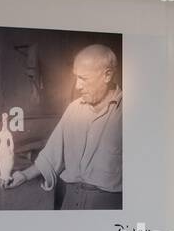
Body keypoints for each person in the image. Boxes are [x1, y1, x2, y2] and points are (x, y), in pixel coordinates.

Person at [7, 44, 123, 209]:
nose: (77, 86)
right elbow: (52, 154)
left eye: (84, 78)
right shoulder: (74, 108)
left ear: (107, 75)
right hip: (70, 200)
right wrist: (24, 175)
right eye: (76, 77)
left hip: (107, 204)